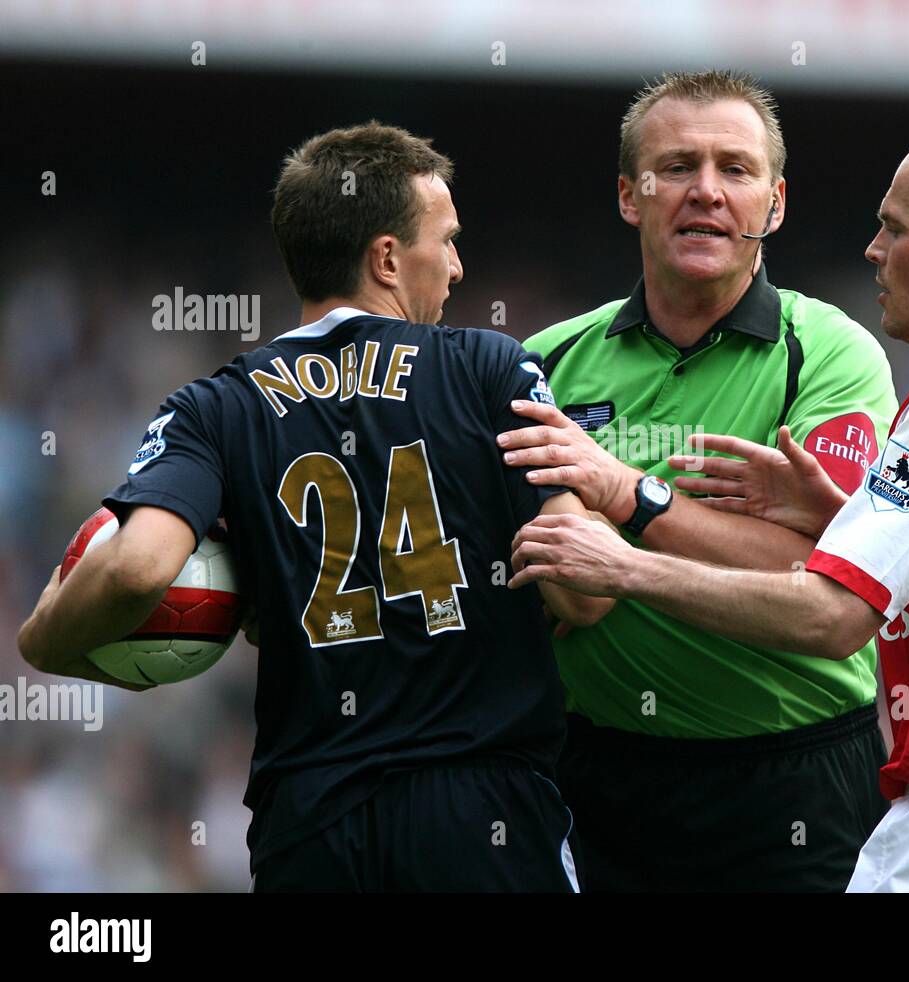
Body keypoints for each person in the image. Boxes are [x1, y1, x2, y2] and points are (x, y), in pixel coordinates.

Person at [509, 130, 909, 892]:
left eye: (897, 228)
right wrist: (849, 513)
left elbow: (833, 619)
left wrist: (628, 560)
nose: (874, 251)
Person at [18, 121, 611, 891]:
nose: (460, 267)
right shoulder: (491, 368)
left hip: (311, 824)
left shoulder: (213, 407)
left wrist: (45, 647)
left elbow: (135, 570)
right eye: (448, 240)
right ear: (388, 258)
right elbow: (584, 592)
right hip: (483, 816)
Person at [495, 70, 898, 891]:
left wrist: (625, 495)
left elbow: (827, 576)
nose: (706, 192)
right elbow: (527, 563)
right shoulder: (544, 359)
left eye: (736, 170)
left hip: (795, 778)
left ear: (774, 205)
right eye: (676, 167)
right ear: (629, 196)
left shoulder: (830, 354)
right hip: (595, 775)